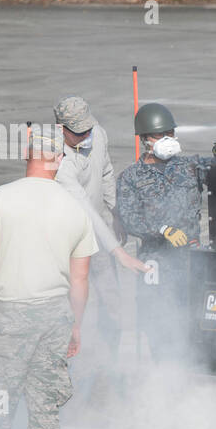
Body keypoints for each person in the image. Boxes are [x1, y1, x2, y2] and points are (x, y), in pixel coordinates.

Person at [0, 133, 97, 429]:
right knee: (45, 406)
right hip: (55, 318)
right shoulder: (75, 209)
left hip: (8, 318)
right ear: (60, 160)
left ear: (27, 154)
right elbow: (80, 281)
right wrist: (76, 326)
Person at [52, 96, 149, 355]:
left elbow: (106, 172)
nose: (86, 135)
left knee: (112, 298)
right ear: (62, 129)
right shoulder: (58, 160)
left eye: (88, 128)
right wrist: (118, 251)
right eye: (79, 132)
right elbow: (83, 208)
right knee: (68, 299)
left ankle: (111, 356)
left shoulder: (98, 135)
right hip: (67, 239)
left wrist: (117, 213)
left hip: (99, 230)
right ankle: (64, 354)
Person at [115, 102, 203, 363]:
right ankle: (166, 383)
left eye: (170, 133)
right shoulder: (130, 177)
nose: (167, 139)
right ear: (144, 139)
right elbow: (129, 219)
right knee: (160, 324)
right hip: (157, 263)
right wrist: (162, 229)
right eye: (159, 135)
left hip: (192, 259)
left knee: (196, 324)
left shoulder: (189, 167)